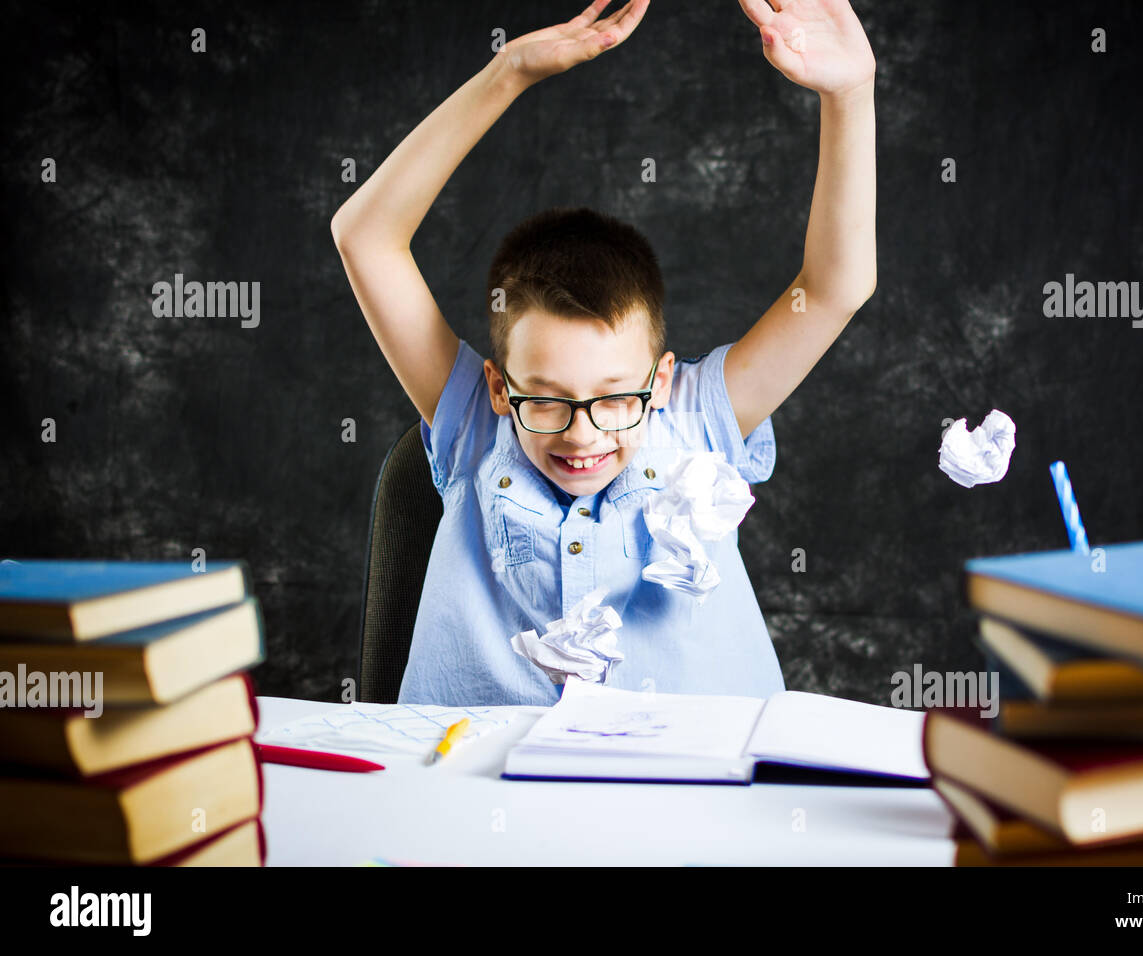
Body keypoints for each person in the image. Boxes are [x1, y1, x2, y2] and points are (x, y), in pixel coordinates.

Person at [330, 0, 878, 705]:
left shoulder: (698, 425)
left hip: (690, 795)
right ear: (500, 388)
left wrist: (850, 92)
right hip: (483, 795)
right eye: (548, 400)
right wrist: (510, 72)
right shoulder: (472, 426)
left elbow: (834, 289)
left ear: (662, 381)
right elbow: (364, 236)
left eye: (617, 398)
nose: (583, 433)